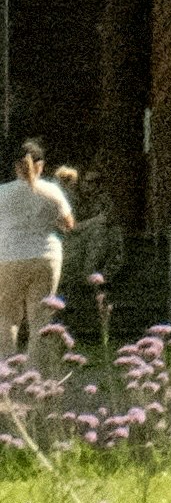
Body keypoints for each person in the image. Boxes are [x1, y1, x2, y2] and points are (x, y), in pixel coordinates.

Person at [0, 145, 82, 360]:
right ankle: (34, 379)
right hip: (46, 256)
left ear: (15, 167)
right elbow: (69, 224)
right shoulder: (52, 191)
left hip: (9, 256)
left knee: (7, 319)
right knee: (41, 320)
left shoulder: (3, 192)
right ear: (41, 166)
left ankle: (5, 378)